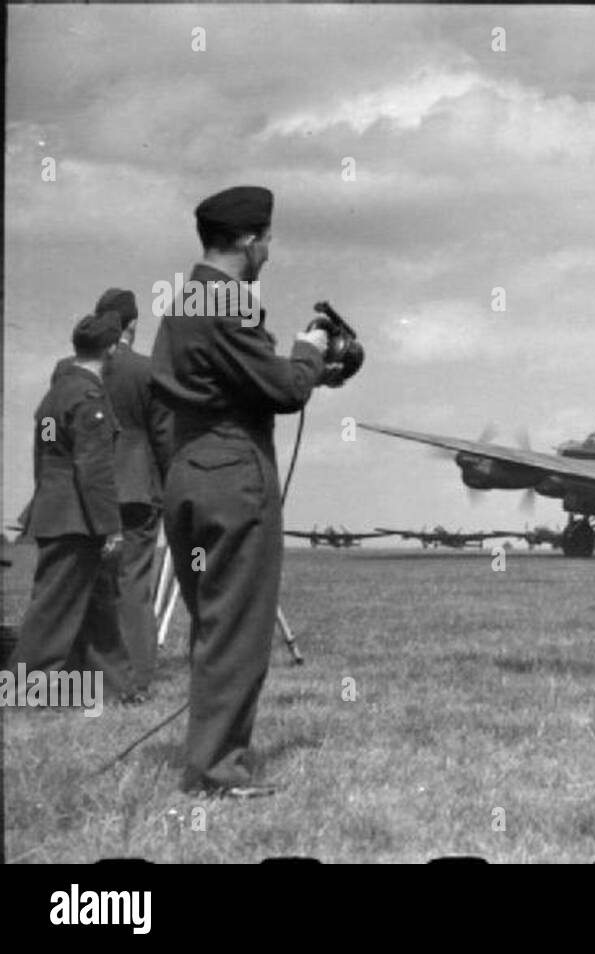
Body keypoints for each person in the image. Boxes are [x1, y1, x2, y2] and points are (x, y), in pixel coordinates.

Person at [151, 185, 327, 798]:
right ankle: (217, 773)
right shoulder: (228, 301)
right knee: (239, 629)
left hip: (188, 467)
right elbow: (283, 391)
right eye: (268, 239)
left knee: (214, 622)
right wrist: (310, 352)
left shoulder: (183, 301)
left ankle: (210, 757)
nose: (270, 251)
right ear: (250, 241)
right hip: (233, 473)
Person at [7, 310, 140, 702]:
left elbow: (44, 459)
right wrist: (111, 528)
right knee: (53, 609)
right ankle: (23, 688)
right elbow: (93, 470)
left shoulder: (55, 395)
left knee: (100, 605)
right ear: (112, 348)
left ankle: (116, 688)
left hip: (56, 511)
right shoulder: (89, 398)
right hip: (78, 520)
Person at [99, 288, 173, 694]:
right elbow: (165, 438)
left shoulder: (78, 368)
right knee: (134, 583)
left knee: (94, 584)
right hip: (138, 486)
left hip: (90, 486)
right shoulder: (147, 371)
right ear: (132, 325)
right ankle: (138, 677)